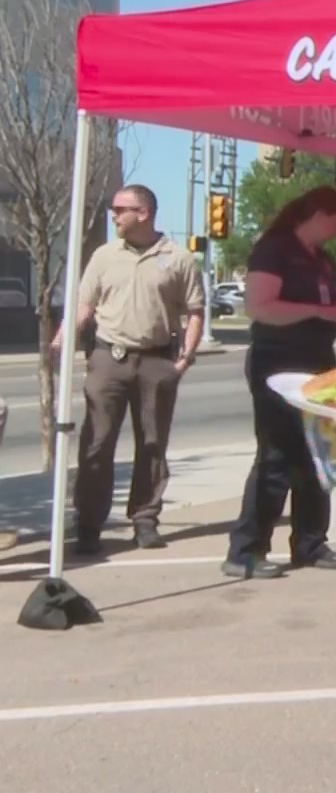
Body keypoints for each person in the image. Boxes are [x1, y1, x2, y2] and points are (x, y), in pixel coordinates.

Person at [51, 184, 205, 553]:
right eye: (113, 209)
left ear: (144, 213)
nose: (114, 215)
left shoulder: (178, 257)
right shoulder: (105, 255)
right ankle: (88, 523)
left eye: (121, 209)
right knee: (97, 443)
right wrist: (62, 339)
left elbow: (195, 311)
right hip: (109, 357)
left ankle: (145, 519)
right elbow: (84, 304)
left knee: (152, 443)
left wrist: (183, 359)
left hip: (156, 360)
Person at [224, 185, 336, 580]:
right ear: (316, 214)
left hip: (319, 364)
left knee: (315, 456)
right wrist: (318, 310)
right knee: (276, 456)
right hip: (278, 363)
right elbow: (260, 307)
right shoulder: (275, 249)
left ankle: (310, 542)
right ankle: (246, 550)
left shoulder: (324, 260)